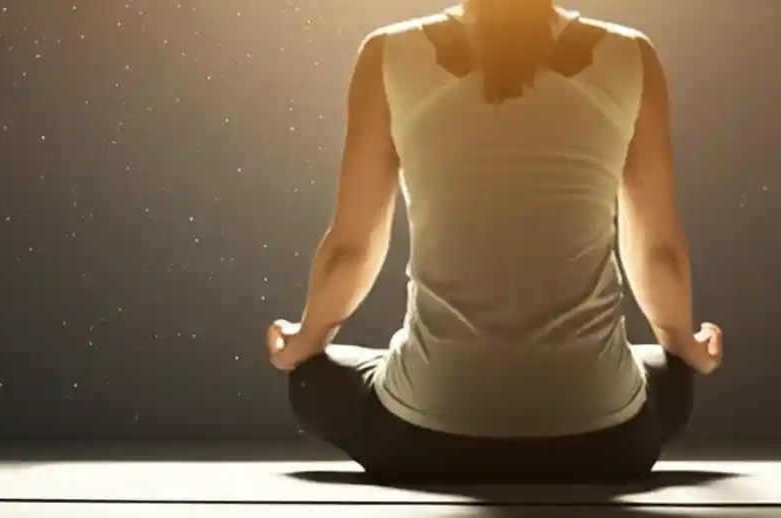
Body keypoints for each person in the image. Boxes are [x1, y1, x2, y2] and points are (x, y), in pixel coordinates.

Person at [266, 1, 724, 479]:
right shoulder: (632, 55)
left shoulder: (389, 52)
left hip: (418, 445)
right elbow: (659, 252)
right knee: (669, 373)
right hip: (608, 445)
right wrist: (683, 345)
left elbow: (351, 248)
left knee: (313, 379)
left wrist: (305, 339)